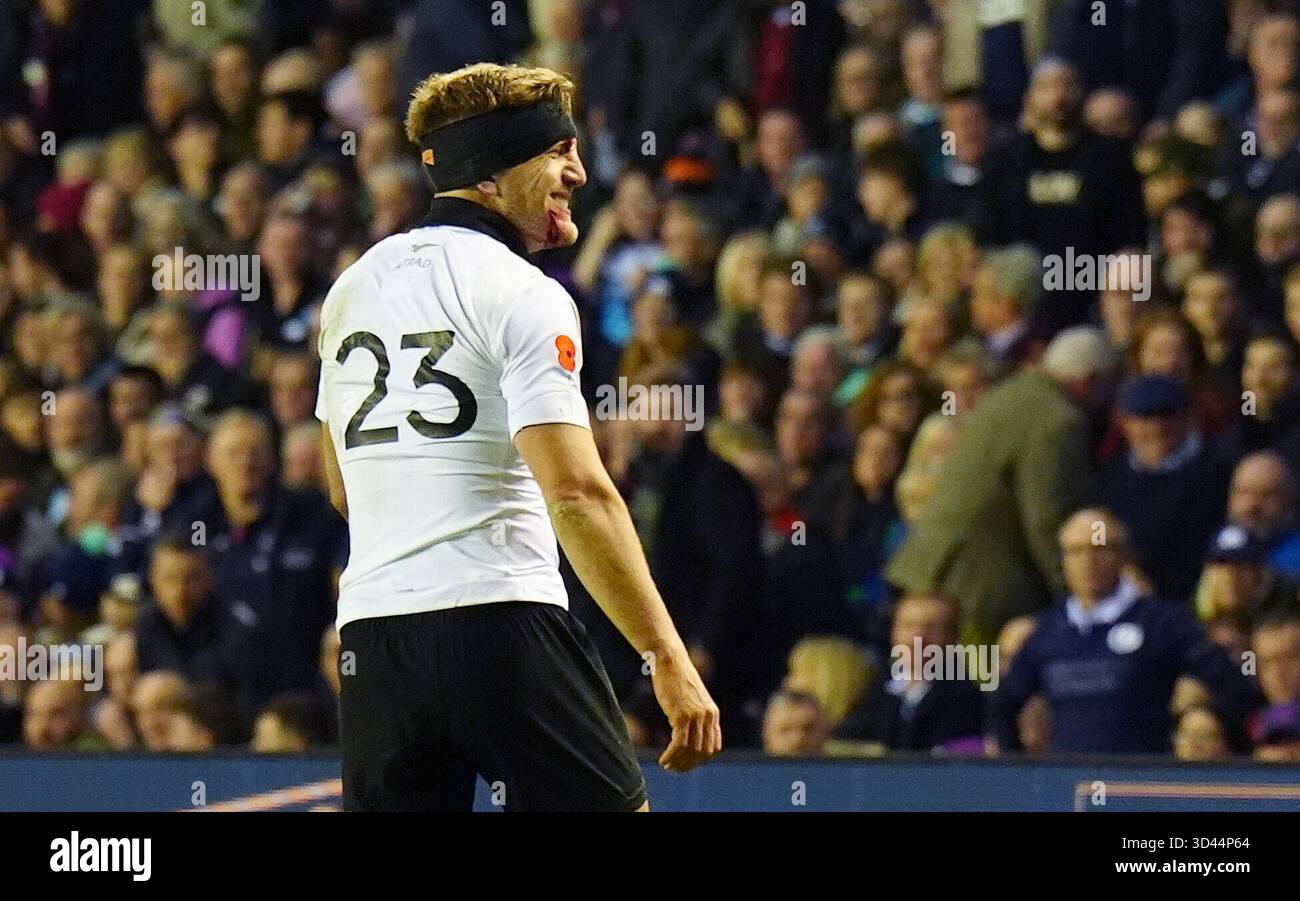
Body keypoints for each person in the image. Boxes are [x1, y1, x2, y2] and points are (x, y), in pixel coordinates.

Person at [316, 63, 718, 812]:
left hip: (375, 642)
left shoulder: (353, 288)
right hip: (503, 620)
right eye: (558, 152)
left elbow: (344, 486)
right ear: (494, 175)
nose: (579, 171)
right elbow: (575, 492)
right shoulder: (523, 293)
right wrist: (666, 655)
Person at [886, 326, 1118, 644]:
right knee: (978, 685)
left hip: (933, 570)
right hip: (977, 592)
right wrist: (1080, 592)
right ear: (1089, 380)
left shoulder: (1008, 395)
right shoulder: (1058, 421)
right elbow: (1049, 519)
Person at [990, 509, 1263, 755]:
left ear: (1123, 556)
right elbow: (1002, 707)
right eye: (1077, 551)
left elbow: (1234, 688)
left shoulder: (1163, 623)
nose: (1089, 562)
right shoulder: (1047, 633)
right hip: (1069, 787)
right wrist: (1022, 772)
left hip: (1140, 785)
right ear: (1063, 562)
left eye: (1100, 549)